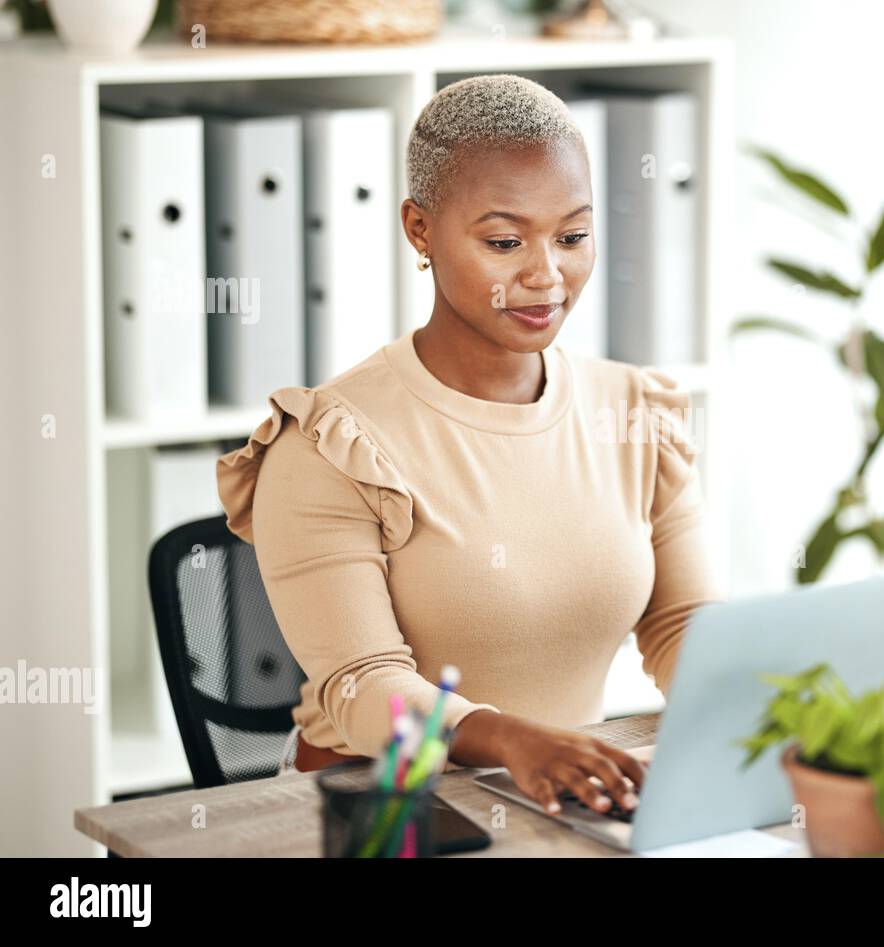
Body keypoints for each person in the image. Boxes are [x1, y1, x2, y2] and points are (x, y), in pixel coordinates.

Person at [216, 74, 722, 817]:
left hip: (562, 801)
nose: (547, 275)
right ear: (419, 229)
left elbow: (682, 623)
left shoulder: (636, 412)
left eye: (574, 236)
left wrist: (769, 704)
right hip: (380, 812)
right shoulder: (331, 443)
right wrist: (513, 739)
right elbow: (364, 681)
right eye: (504, 241)